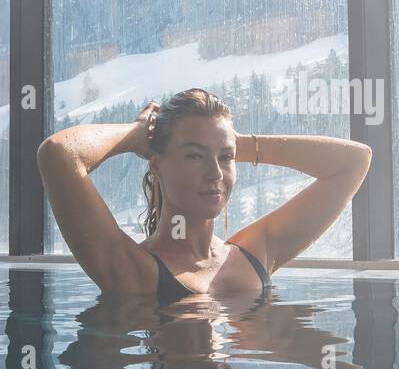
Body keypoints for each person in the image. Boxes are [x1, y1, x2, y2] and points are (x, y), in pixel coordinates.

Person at [37, 87, 372, 299]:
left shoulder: (255, 252)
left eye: (225, 158)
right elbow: (59, 153)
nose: (215, 174)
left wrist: (236, 142)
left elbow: (355, 161)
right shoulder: (132, 269)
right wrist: (137, 133)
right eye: (194, 156)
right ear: (157, 165)